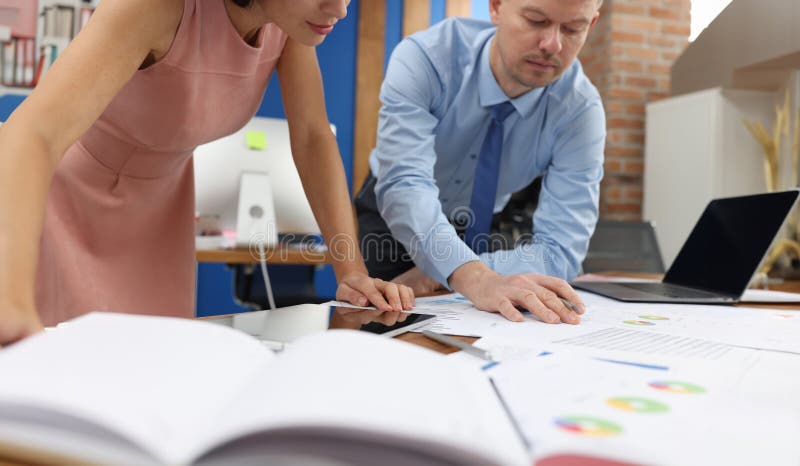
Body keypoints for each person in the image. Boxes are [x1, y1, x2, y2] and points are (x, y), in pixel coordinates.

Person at [0, 0, 414, 347]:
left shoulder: (287, 22)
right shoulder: (158, 7)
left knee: (151, 380)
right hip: (60, 202)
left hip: (161, 214)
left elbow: (312, 138)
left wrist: (352, 272)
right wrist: (11, 300)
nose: (340, 9)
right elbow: (30, 133)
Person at [356, 0, 605, 324]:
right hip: (391, 220)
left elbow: (561, 251)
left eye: (573, 29)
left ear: (592, 24)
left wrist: (452, 273)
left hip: (476, 230)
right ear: (496, 7)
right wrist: (471, 275)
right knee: (374, 336)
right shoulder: (427, 57)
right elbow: (406, 185)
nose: (552, 45)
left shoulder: (580, 111)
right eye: (535, 21)